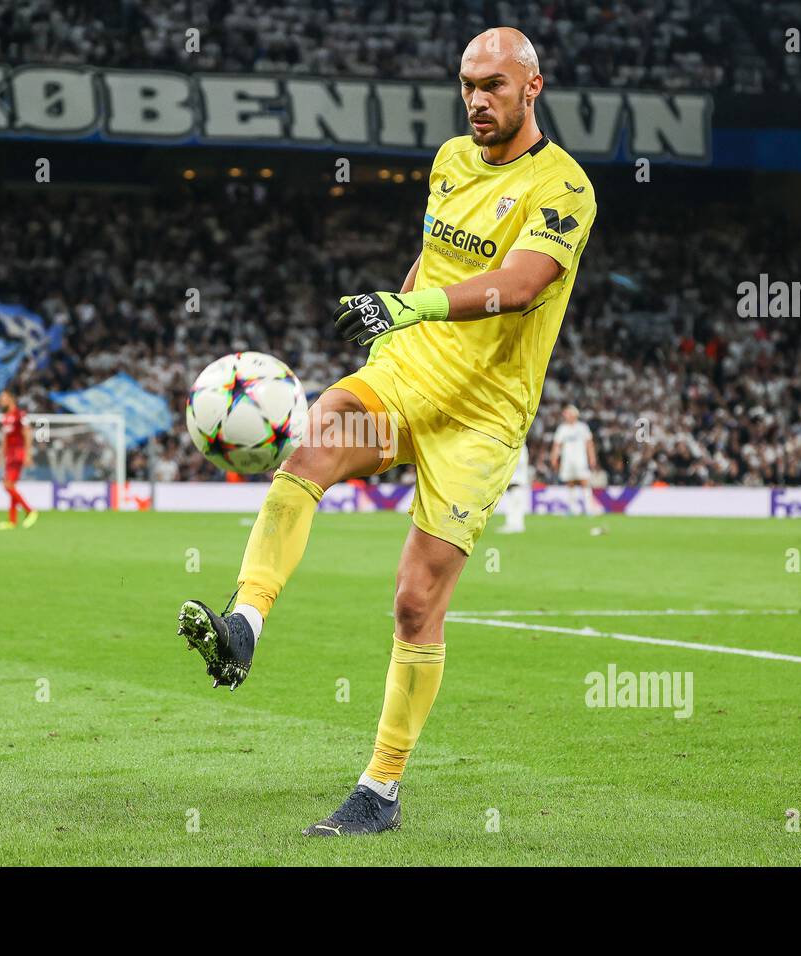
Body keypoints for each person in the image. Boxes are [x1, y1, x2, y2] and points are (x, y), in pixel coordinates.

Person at [175, 27, 597, 836]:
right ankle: (245, 623)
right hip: (407, 373)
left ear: (532, 88)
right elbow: (433, 258)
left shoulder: (565, 189)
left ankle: (380, 790)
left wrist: (412, 305)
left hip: (483, 415)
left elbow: (521, 282)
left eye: (494, 86)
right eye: (468, 83)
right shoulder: (447, 160)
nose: (477, 99)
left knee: (414, 605)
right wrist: (394, 319)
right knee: (315, 444)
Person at [0, 390, 39, 530]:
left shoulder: (20, 414)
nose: (1, 400)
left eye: (3, 397)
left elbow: (27, 433)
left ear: (11, 398)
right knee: (10, 486)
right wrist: (0, 457)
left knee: (7, 485)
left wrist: (27, 454)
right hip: (10, 454)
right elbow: (5, 439)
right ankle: (12, 521)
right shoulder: (5, 417)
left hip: (18, 453)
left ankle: (30, 511)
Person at [549, 404, 597, 514]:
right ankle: (573, 508)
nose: (565, 415)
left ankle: (589, 508)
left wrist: (592, 458)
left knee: (584, 482)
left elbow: (589, 444)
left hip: (581, 460)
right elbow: (557, 445)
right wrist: (554, 458)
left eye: (567, 413)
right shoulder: (562, 429)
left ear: (574, 414)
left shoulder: (582, 427)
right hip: (567, 461)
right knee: (569, 483)